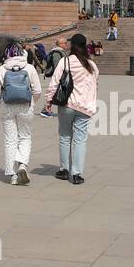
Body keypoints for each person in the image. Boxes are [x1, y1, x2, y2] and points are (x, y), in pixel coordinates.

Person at [46, 33, 98, 185]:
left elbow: (54, 82)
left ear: (72, 45)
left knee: (65, 136)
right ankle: (77, 174)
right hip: (84, 107)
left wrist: (48, 100)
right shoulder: (91, 65)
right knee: (80, 140)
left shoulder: (66, 61)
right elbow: (96, 85)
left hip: (67, 105)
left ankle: (64, 170)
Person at [0, 43, 41, 185]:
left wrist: (0, 100)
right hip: (25, 106)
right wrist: (32, 101)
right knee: (25, 137)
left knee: (10, 140)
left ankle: (12, 175)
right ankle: (23, 165)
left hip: (7, 107)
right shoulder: (29, 68)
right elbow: (37, 91)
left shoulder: (1, 69)